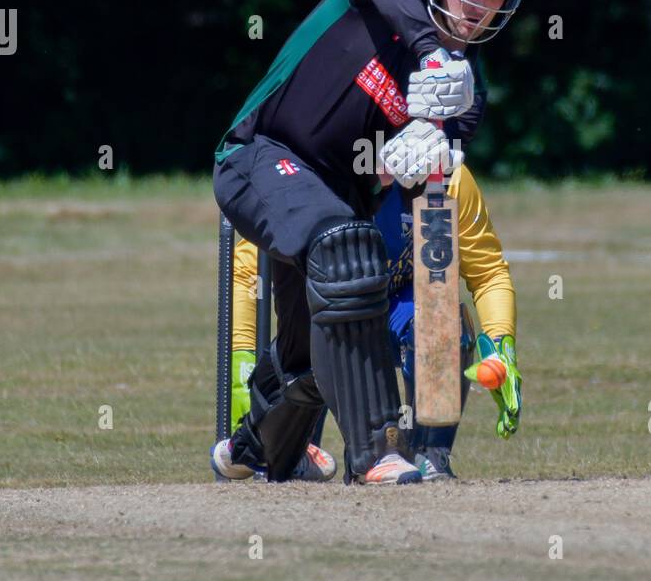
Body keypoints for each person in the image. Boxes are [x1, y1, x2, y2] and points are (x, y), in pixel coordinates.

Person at [211, 0, 527, 484]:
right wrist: (434, 54)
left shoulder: (466, 94)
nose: (476, 5)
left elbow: (416, 185)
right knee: (346, 245)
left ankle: (251, 447)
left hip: (333, 204)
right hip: (258, 154)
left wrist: (424, 143)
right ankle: (379, 453)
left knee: (310, 352)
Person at [218, 162, 522, 482]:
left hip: (396, 309)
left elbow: (487, 271)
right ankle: (288, 450)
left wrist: (502, 346)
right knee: (287, 461)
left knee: (443, 320)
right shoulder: (313, 171)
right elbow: (250, 272)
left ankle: (428, 456)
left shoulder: (445, 179)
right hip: (324, 318)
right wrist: (244, 365)